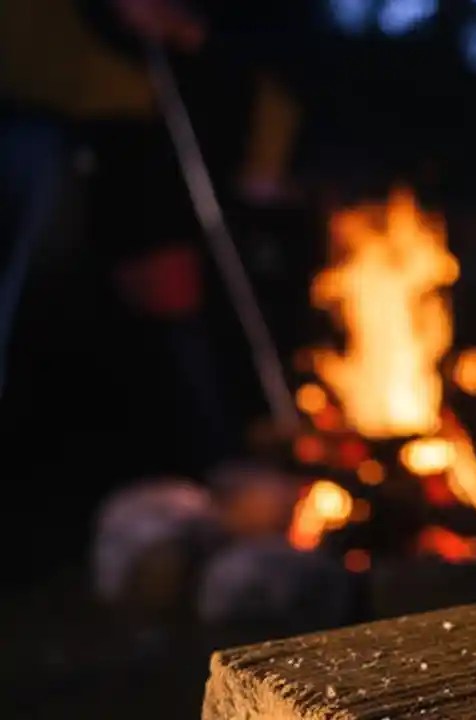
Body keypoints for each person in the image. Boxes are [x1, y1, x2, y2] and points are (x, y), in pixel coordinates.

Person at [0, 0, 304, 471]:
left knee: (172, 290)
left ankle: (213, 459)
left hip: (141, 122)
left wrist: (186, 32)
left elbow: (255, 55)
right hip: (42, 114)